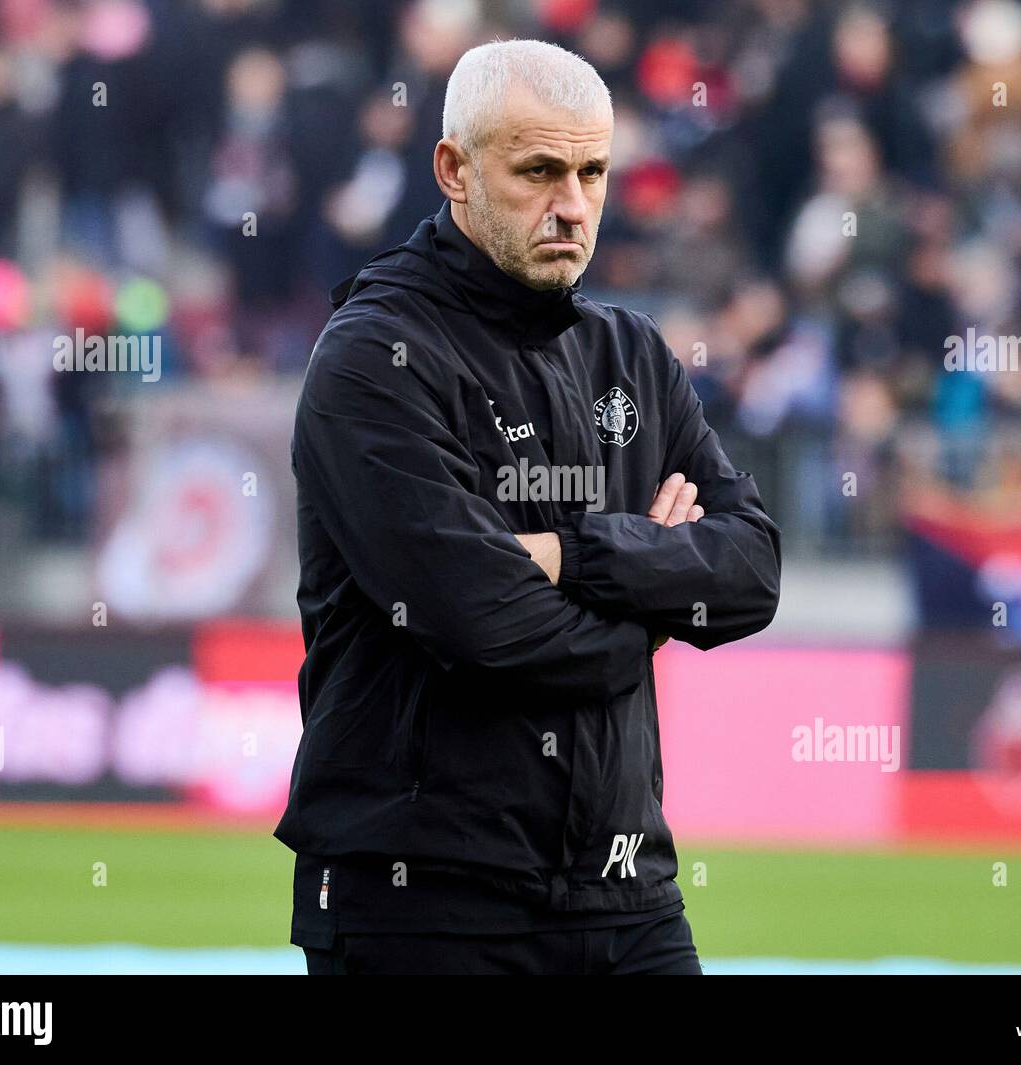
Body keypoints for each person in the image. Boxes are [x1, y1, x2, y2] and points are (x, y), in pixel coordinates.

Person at [277, 38, 782, 975]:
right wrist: (650, 607)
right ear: (454, 170)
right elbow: (484, 622)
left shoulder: (632, 351)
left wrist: (570, 555)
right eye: (540, 171)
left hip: (628, 893)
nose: (574, 204)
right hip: (425, 904)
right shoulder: (372, 357)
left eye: (593, 171)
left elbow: (752, 572)